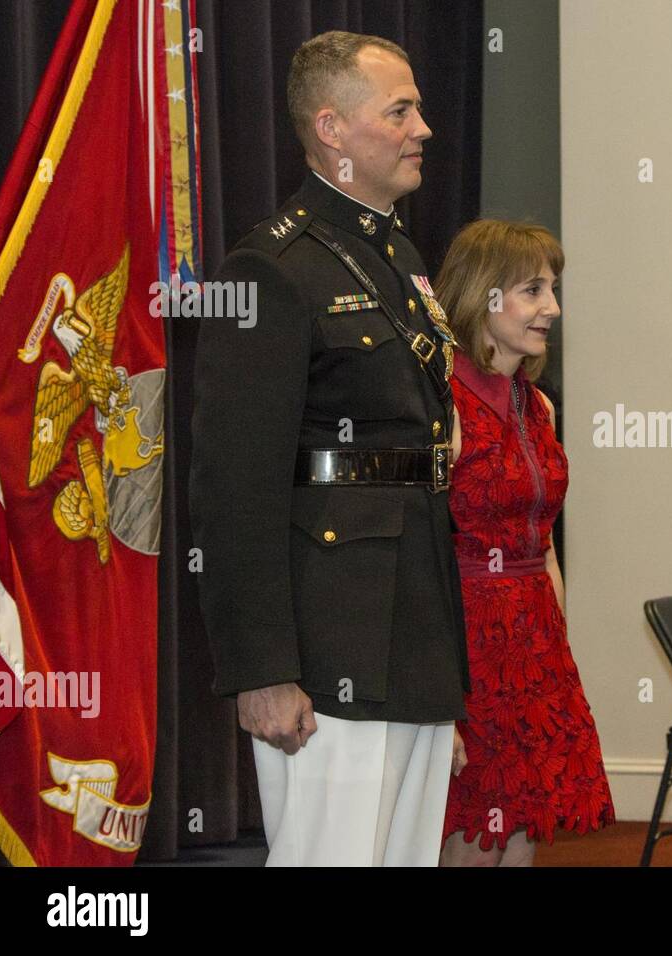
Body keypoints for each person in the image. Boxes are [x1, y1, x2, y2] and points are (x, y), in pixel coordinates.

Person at [189, 31, 470, 866]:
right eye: (400, 110)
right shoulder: (273, 268)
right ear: (332, 129)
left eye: (419, 106)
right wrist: (261, 667)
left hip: (415, 620)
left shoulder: (399, 255)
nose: (424, 128)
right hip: (328, 639)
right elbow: (233, 486)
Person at [432, 220, 614, 867]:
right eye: (534, 290)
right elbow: (421, 559)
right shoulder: (440, 403)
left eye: (554, 289)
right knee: (474, 837)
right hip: (468, 645)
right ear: (483, 295)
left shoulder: (539, 405)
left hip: (535, 639)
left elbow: (546, 546)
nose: (553, 309)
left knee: (522, 836)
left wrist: (557, 645)